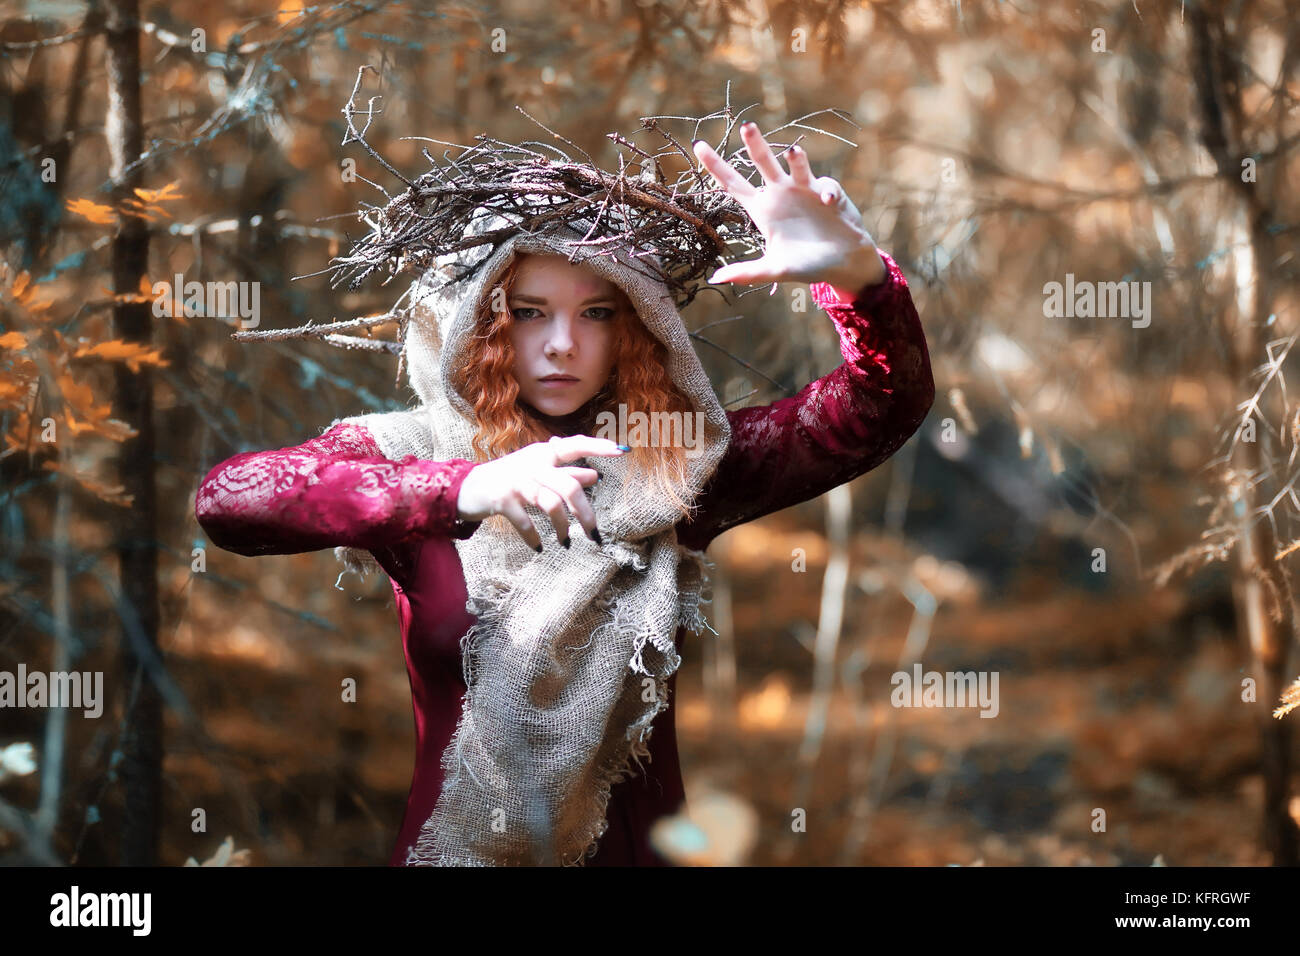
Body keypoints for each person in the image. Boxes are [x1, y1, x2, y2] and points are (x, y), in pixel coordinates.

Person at [194, 122, 935, 865]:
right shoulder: (412, 457)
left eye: (596, 312)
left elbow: (879, 409)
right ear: (482, 319)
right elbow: (230, 501)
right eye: (529, 310)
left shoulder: (674, 467)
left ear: (634, 327)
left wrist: (860, 285)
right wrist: (468, 488)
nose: (561, 344)